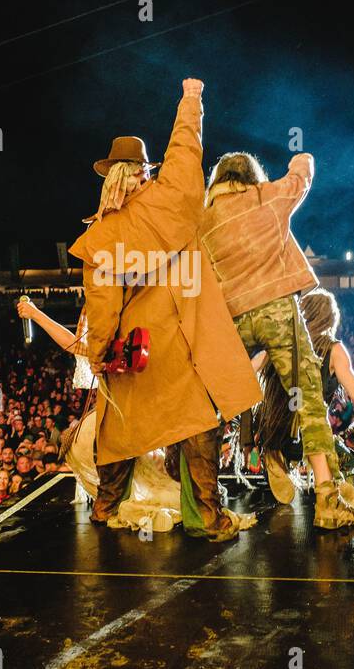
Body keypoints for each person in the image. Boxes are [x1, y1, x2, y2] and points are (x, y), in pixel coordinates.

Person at [66, 77, 262, 542]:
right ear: (143, 171)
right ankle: (207, 520)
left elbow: (103, 305)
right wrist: (190, 100)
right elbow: (186, 151)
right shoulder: (172, 198)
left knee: (119, 429)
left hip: (140, 350)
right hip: (188, 337)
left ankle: (106, 508)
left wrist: (97, 353)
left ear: (110, 178)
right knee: (199, 426)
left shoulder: (103, 237)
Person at [200, 145, 354, 530]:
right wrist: (303, 156)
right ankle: (327, 498)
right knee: (310, 401)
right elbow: (301, 179)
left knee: (214, 402)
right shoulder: (266, 197)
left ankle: (201, 496)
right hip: (277, 311)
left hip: (232, 318)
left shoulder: (205, 219)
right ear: (251, 178)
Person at [17, 296, 183, 531]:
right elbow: (81, 346)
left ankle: (118, 501)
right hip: (125, 401)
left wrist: (36, 315)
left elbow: (81, 347)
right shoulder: (106, 298)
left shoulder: (125, 298)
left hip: (134, 402)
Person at [252, 288, 354, 508]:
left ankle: (274, 454)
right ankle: (337, 486)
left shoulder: (281, 344)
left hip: (271, 429)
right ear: (330, 319)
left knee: (291, 429)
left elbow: (249, 372)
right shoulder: (333, 349)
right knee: (352, 469)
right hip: (310, 436)